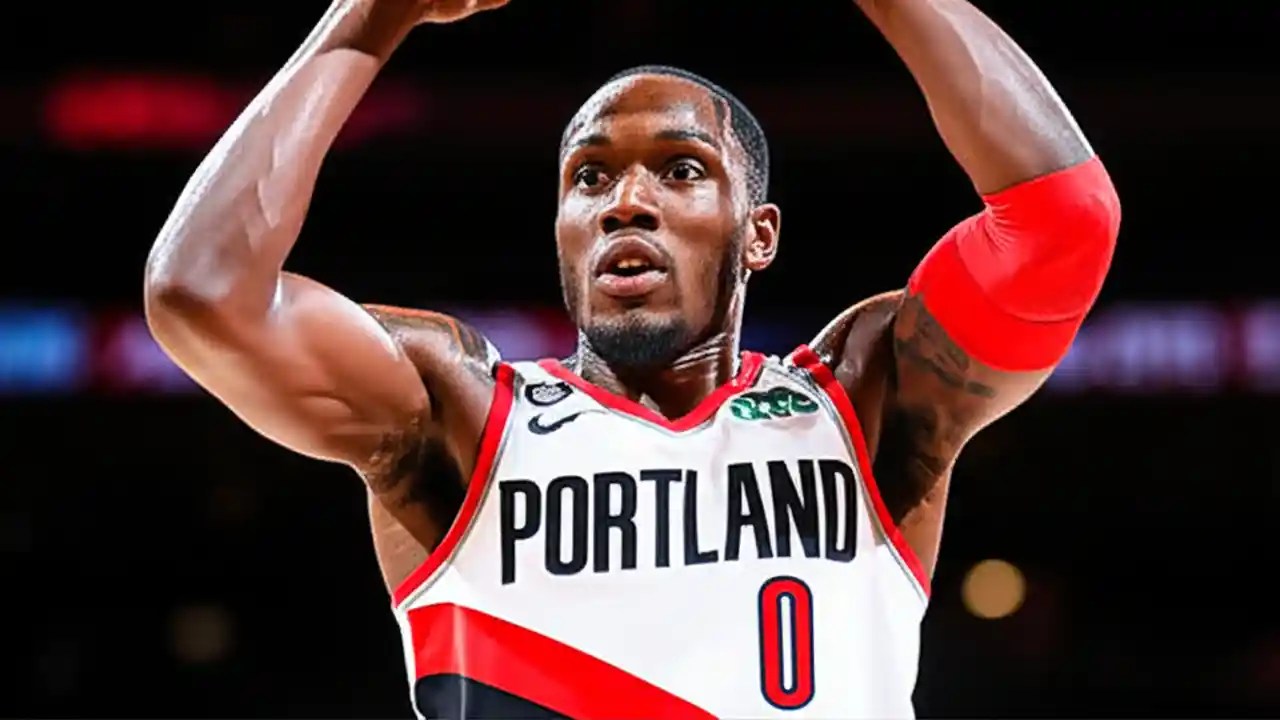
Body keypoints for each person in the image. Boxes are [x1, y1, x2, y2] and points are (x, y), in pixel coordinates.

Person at [143, 0, 1120, 717]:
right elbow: (202, 294)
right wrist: (369, 18)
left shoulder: (861, 402)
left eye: (682, 170)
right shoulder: (461, 414)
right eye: (590, 177)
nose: (626, 200)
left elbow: (1061, 220)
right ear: (561, 228)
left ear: (757, 234)